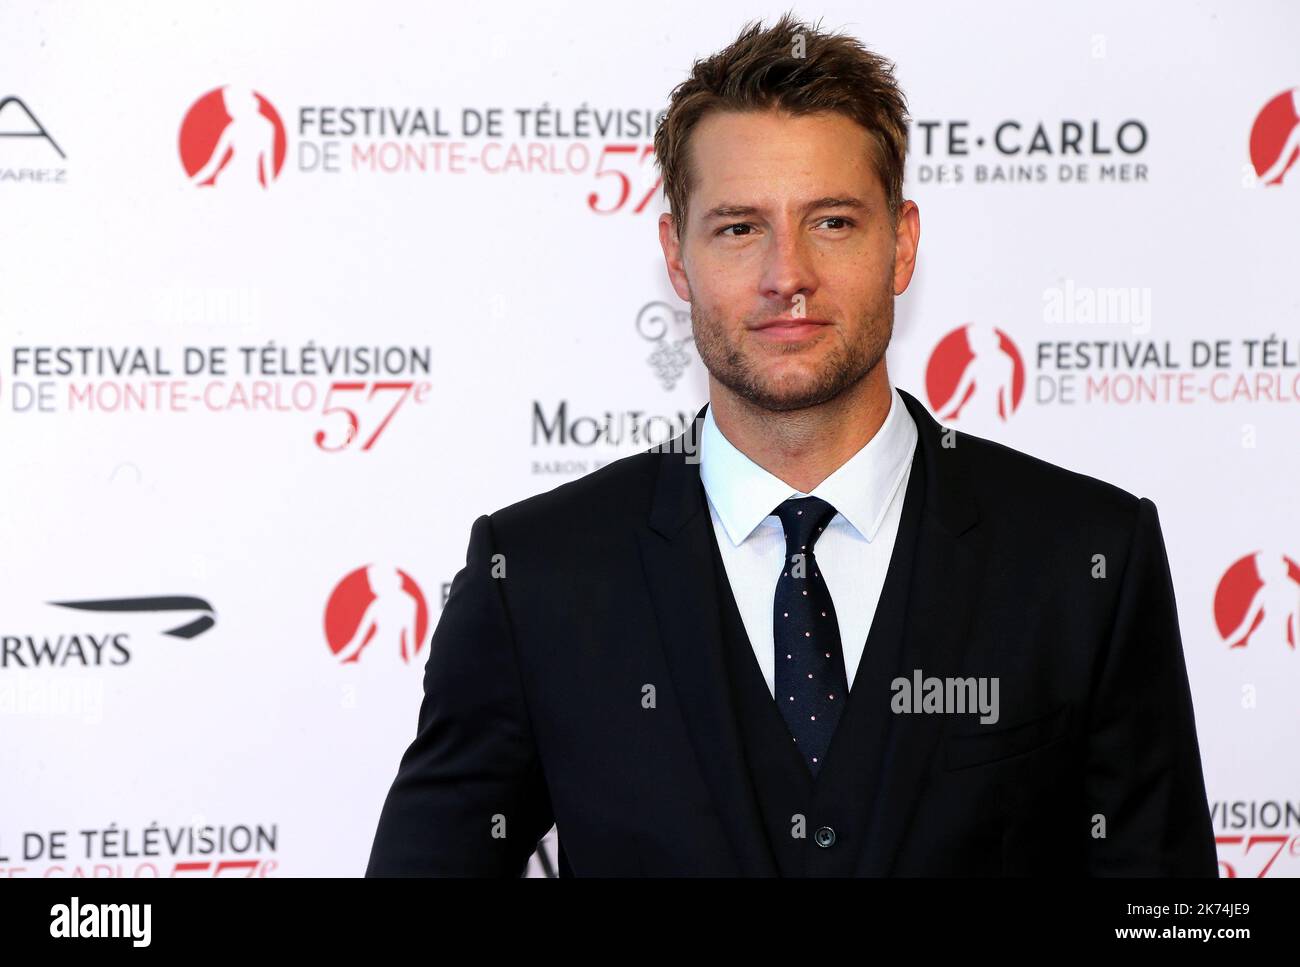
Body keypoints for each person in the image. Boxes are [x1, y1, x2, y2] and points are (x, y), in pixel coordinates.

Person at [366, 13, 1218, 877]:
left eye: (833, 222)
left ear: (903, 243)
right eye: (739, 228)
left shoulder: (1085, 557)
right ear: (676, 255)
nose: (787, 275)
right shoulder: (537, 577)